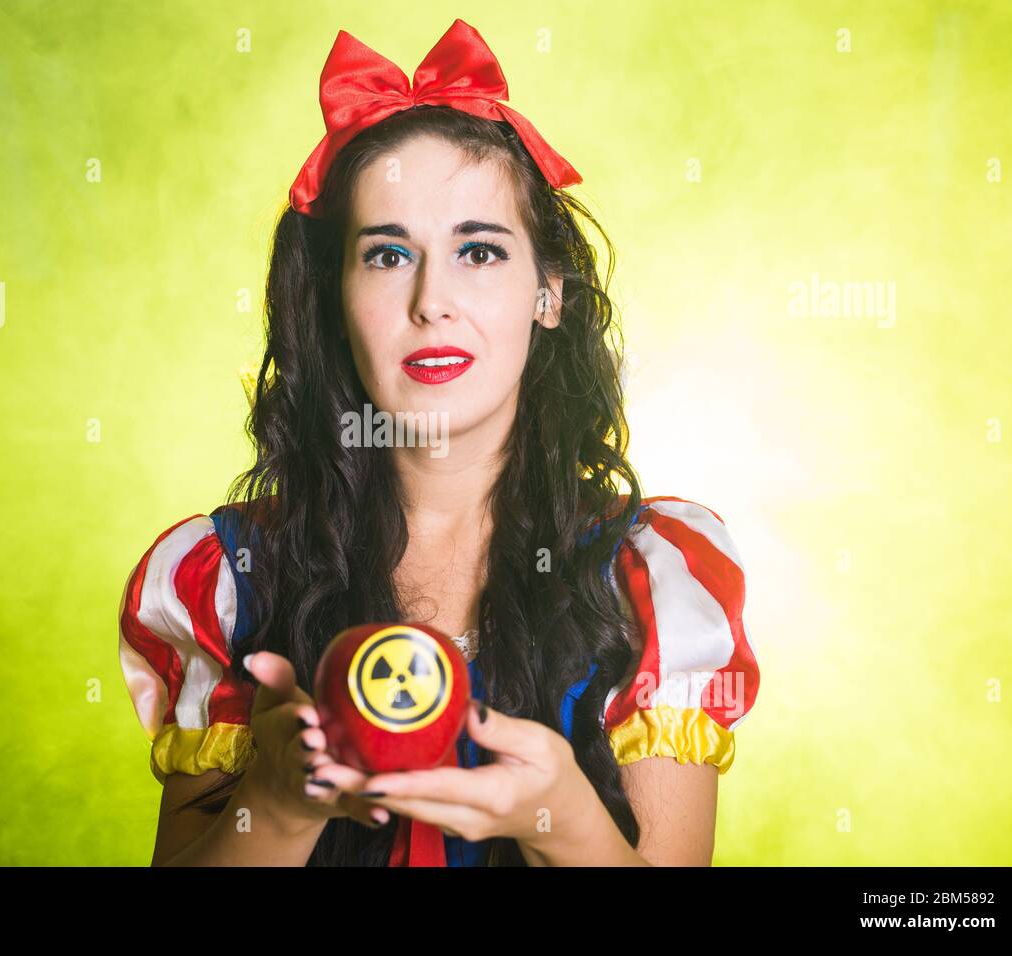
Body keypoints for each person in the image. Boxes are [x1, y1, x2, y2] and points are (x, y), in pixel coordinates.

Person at [117, 18, 760, 867]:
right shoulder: (225, 581)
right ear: (334, 298)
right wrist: (274, 807)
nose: (431, 301)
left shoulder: (651, 579)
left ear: (549, 295)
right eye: (387, 256)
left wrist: (564, 821)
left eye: (481, 251)